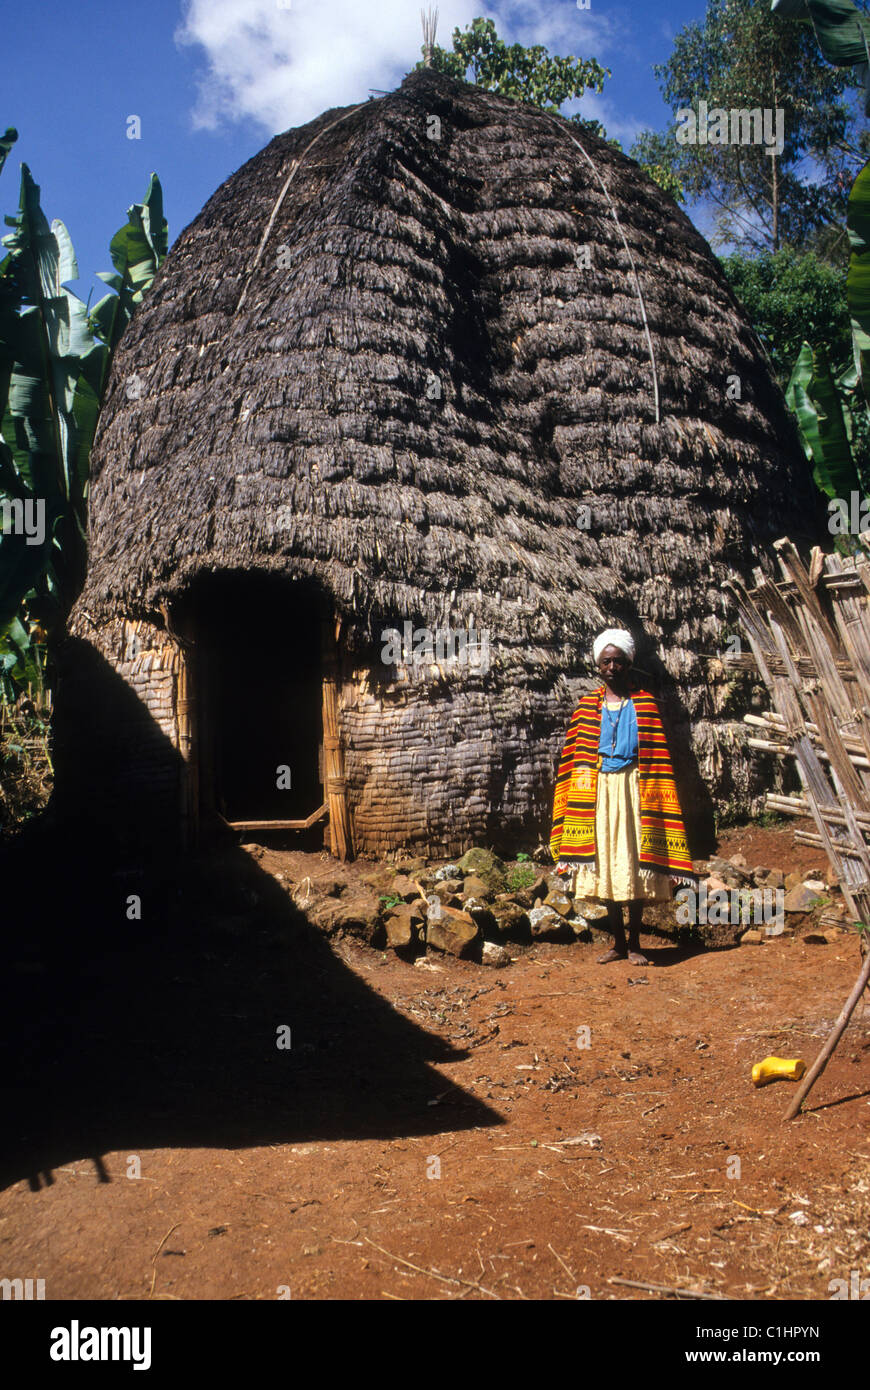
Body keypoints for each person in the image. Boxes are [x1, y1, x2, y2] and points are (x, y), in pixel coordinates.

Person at [549, 628, 695, 965]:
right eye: (606, 661)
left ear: (628, 664)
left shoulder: (644, 704)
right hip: (598, 792)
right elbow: (574, 758)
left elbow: (658, 756)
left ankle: (635, 944)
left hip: (634, 789)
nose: (612, 667)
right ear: (598, 666)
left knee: (632, 864)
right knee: (605, 868)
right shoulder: (587, 707)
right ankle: (616, 943)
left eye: (618, 661)